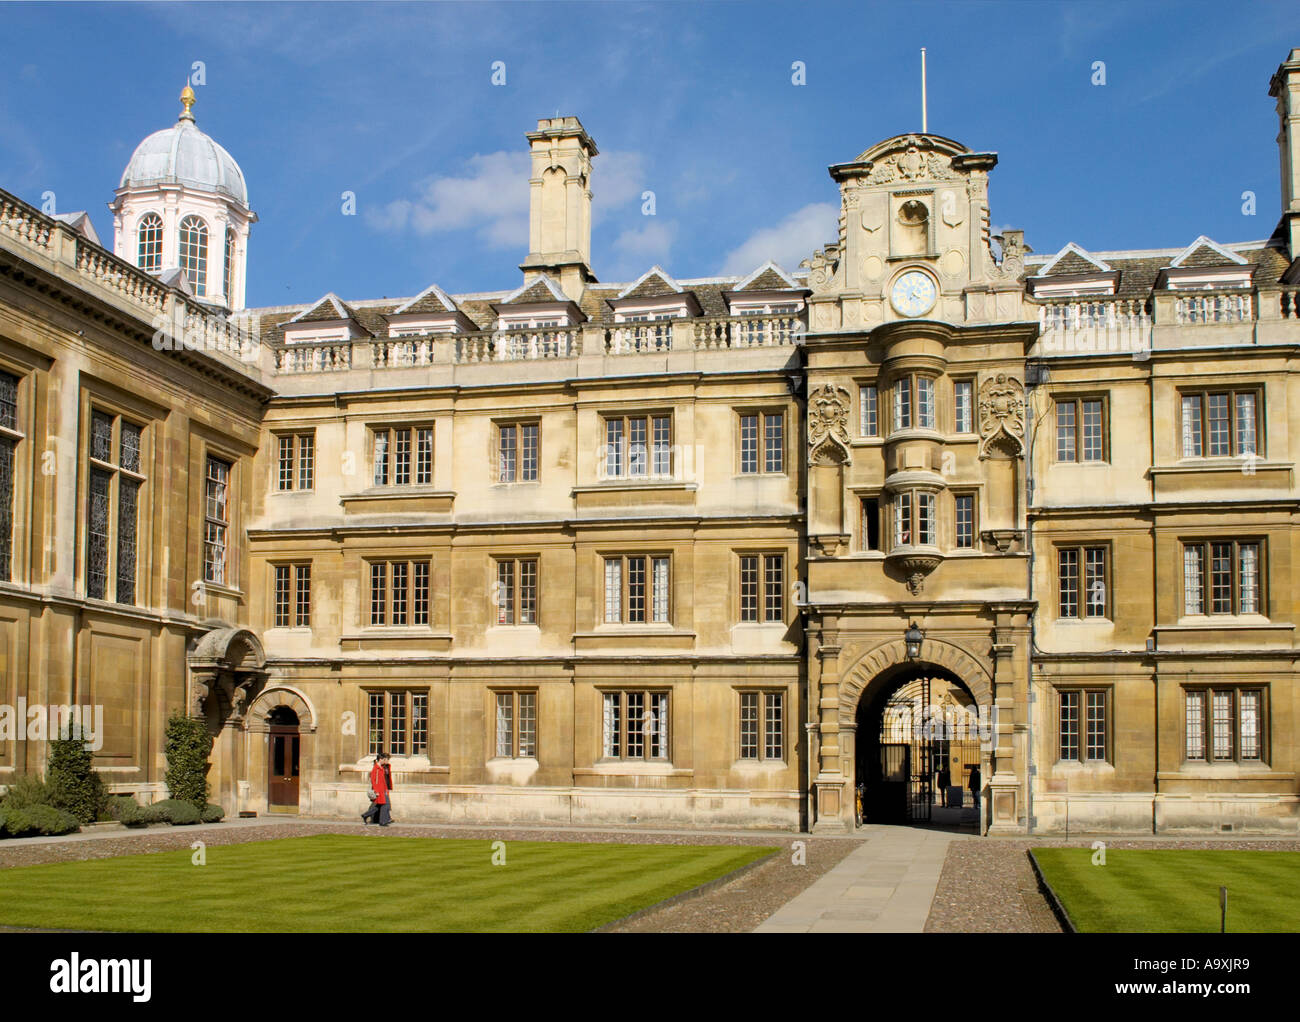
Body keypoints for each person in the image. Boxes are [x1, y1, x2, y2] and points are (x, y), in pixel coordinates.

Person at [361, 751, 389, 826]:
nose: (385, 761)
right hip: (379, 790)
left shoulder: (381, 768)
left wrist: (386, 789)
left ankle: (366, 815)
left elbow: (383, 781)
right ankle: (383, 821)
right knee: (385, 805)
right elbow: (374, 781)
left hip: (382, 790)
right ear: (380, 759)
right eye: (384, 759)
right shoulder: (376, 769)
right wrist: (376, 791)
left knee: (378, 806)